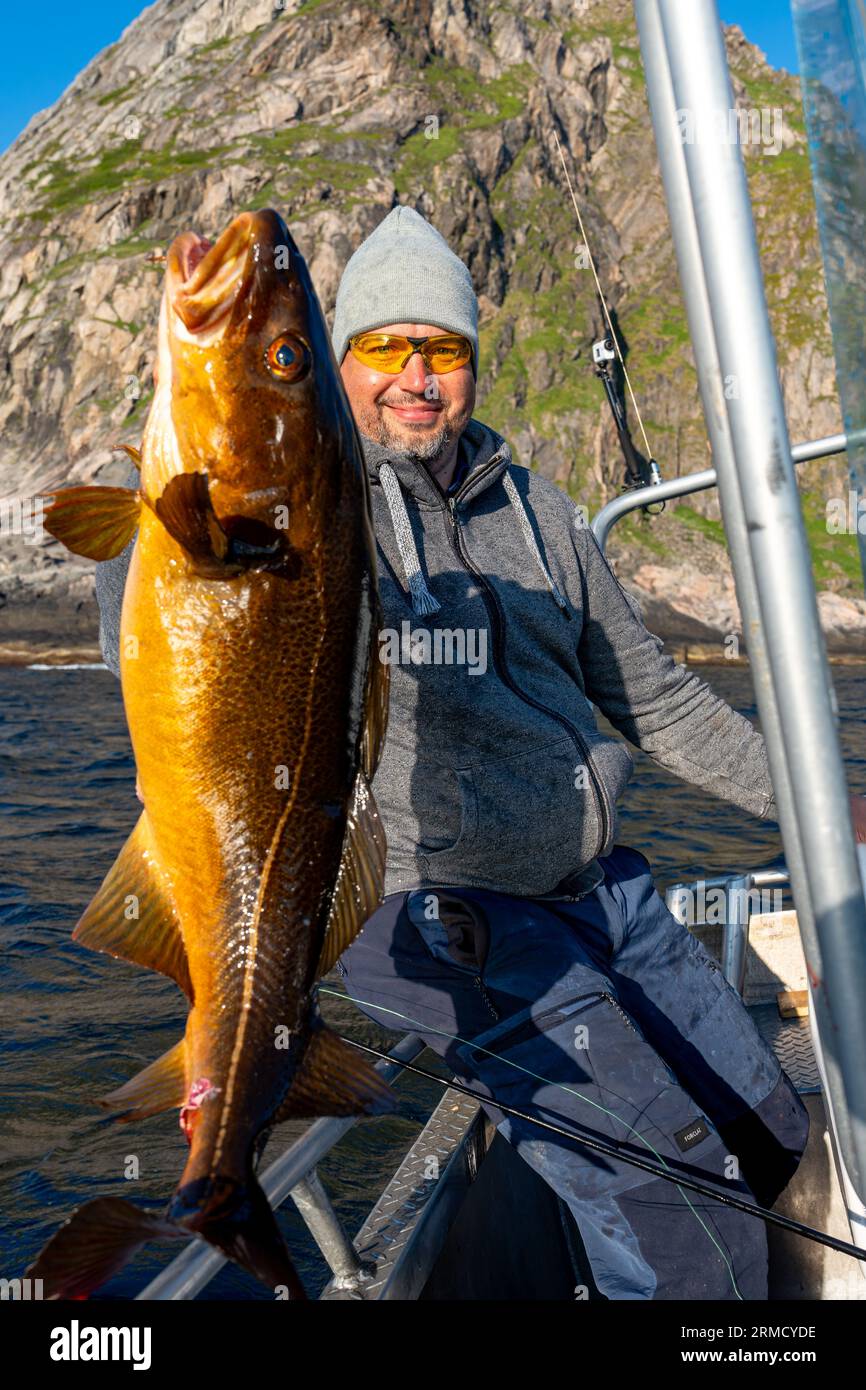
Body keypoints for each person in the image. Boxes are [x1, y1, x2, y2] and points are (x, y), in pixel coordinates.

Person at [93, 206, 863, 1300]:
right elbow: (159, 622)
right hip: (444, 919)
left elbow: (652, 697)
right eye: (379, 347)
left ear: (469, 366)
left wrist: (818, 805)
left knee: (772, 1131)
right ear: (339, 368)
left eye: (442, 348)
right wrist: (178, 464)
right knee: (683, 1217)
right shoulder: (314, 501)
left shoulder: (540, 510)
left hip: (604, 898)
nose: (415, 375)